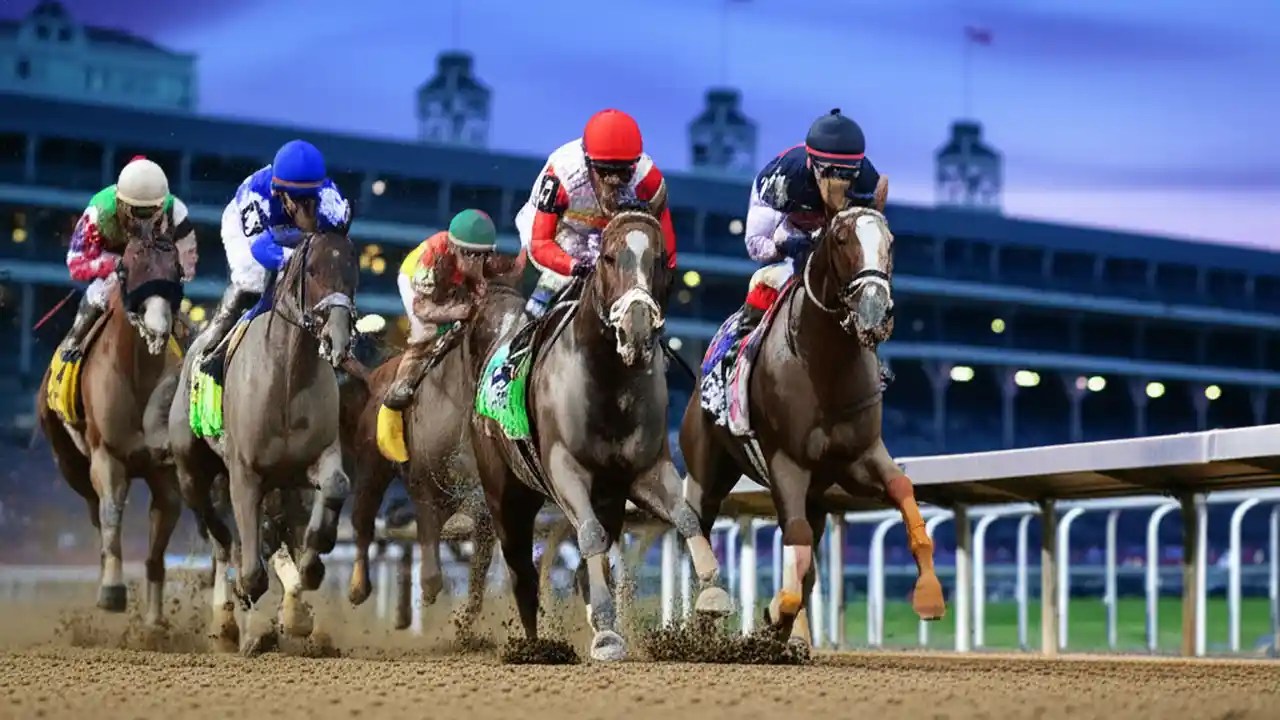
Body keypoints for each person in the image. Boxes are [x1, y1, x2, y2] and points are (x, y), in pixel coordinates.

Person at [736, 108, 893, 385]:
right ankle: (740, 350)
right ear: (812, 164)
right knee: (764, 279)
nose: (841, 183)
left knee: (864, 287)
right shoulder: (783, 181)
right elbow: (755, 245)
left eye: (848, 173)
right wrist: (789, 244)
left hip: (835, 239)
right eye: (832, 172)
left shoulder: (867, 180)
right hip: (787, 230)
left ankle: (871, 351)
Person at [197, 139, 351, 370]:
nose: (305, 206)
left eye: (310, 198)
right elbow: (261, 250)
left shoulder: (331, 201)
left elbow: (336, 249)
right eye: (298, 199)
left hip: (299, 238)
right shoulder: (258, 197)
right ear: (280, 193)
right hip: (252, 233)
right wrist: (299, 262)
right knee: (255, 282)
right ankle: (218, 341)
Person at [513, 108, 677, 320]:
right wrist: (573, 266)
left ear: (635, 165)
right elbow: (541, 242)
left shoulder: (648, 180)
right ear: (587, 162)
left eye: (624, 172)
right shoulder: (561, 174)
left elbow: (667, 254)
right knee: (550, 286)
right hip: (559, 236)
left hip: (610, 241)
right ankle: (518, 339)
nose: (614, 181)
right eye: (605, 171)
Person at [60, 156, 198, 360]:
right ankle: (75, 338)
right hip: (112, 261)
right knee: (101, 290)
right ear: (121, 203)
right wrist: (113, 265)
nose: (145, 220)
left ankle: (193, 346)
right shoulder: (98, 212)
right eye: (138, 211)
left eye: (152, 211)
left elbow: (187, 259)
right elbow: (75, 261)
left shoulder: (175, 210)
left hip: (152, 260)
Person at [382, 209, 522, 410]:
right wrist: (456, 312)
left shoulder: (480, 263)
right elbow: (422, 309)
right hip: (418, 285)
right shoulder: (432, 260)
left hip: (452, 278)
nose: (475, 262)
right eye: (468, 253)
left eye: (482, 255)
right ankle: (402, 383)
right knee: (427, 332)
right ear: (454, 247)